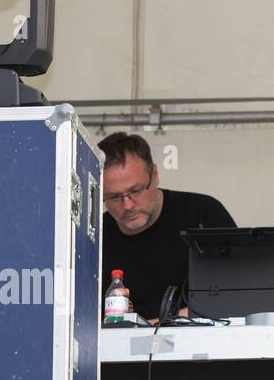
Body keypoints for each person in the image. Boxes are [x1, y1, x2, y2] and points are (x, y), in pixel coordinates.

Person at [99, 132, 235, 322]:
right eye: (114, 197)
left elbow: (235, 294)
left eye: (135, 191)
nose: (127, 205)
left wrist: (152, 325)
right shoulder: (93, 236)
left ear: (155, 175)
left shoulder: (203, 215)